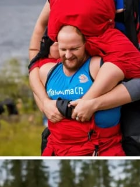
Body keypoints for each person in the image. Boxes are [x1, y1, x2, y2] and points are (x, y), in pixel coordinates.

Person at [30, 26, 125, 156]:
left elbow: (134, 88)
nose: (68, 55)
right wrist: (45, 103)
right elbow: (33, 67)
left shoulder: (99, 66)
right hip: (56, 149)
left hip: (100, 148)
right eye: (63, 49)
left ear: (86, 44)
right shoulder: (46, 71)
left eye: (74, 49)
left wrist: (93, 103)